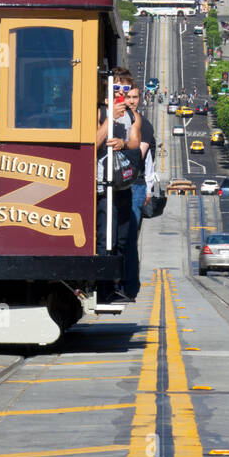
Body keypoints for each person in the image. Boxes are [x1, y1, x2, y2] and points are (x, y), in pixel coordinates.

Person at [96, 70, 142, 304]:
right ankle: (102, 288)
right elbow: (92, 143)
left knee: (123, 239)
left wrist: (123, 143)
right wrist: (108, 120)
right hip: (101, 186)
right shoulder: (99, 111)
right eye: (117, 90)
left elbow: (135, 142)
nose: (122, 95)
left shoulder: (133, 116)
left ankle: (119, 285)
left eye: (125, 90)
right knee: (106, 238)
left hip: (122, 185)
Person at [124, 84, 157, 300]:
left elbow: (138, 155)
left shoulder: (143, 125)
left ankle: (130, 285)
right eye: (128, 96)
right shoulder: (116, 120)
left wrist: (119, 145)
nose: (132, 101)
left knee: (129, 237)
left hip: (135, 185)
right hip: (117, 183)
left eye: (135, 97)